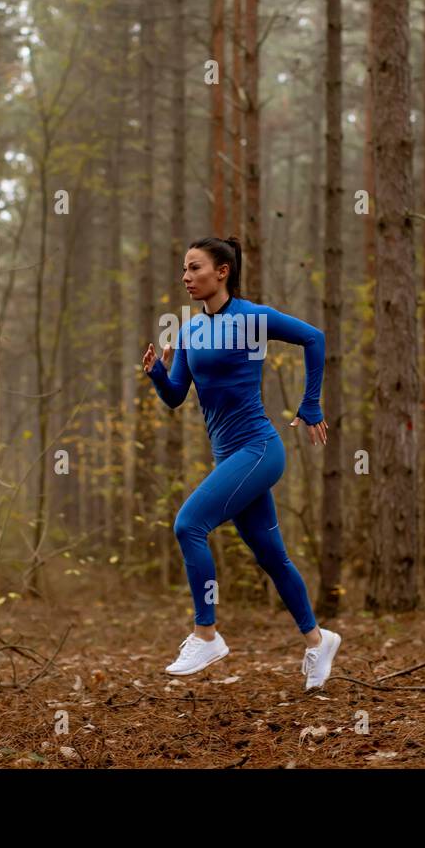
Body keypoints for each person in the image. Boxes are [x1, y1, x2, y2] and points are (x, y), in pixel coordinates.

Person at [141, 235, 342, 691]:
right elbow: (176, 397)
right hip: (229, 456)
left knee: (188, 524)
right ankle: (318, 640)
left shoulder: (252, 318)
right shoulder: (190, 331)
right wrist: (156, 373)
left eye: (194, 268)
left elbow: (314, 338)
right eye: (184, 270)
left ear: (222, 271)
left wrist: (311, 405)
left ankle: (206, 634)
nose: (186, 277)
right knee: (272, 556)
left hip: (258, 450)